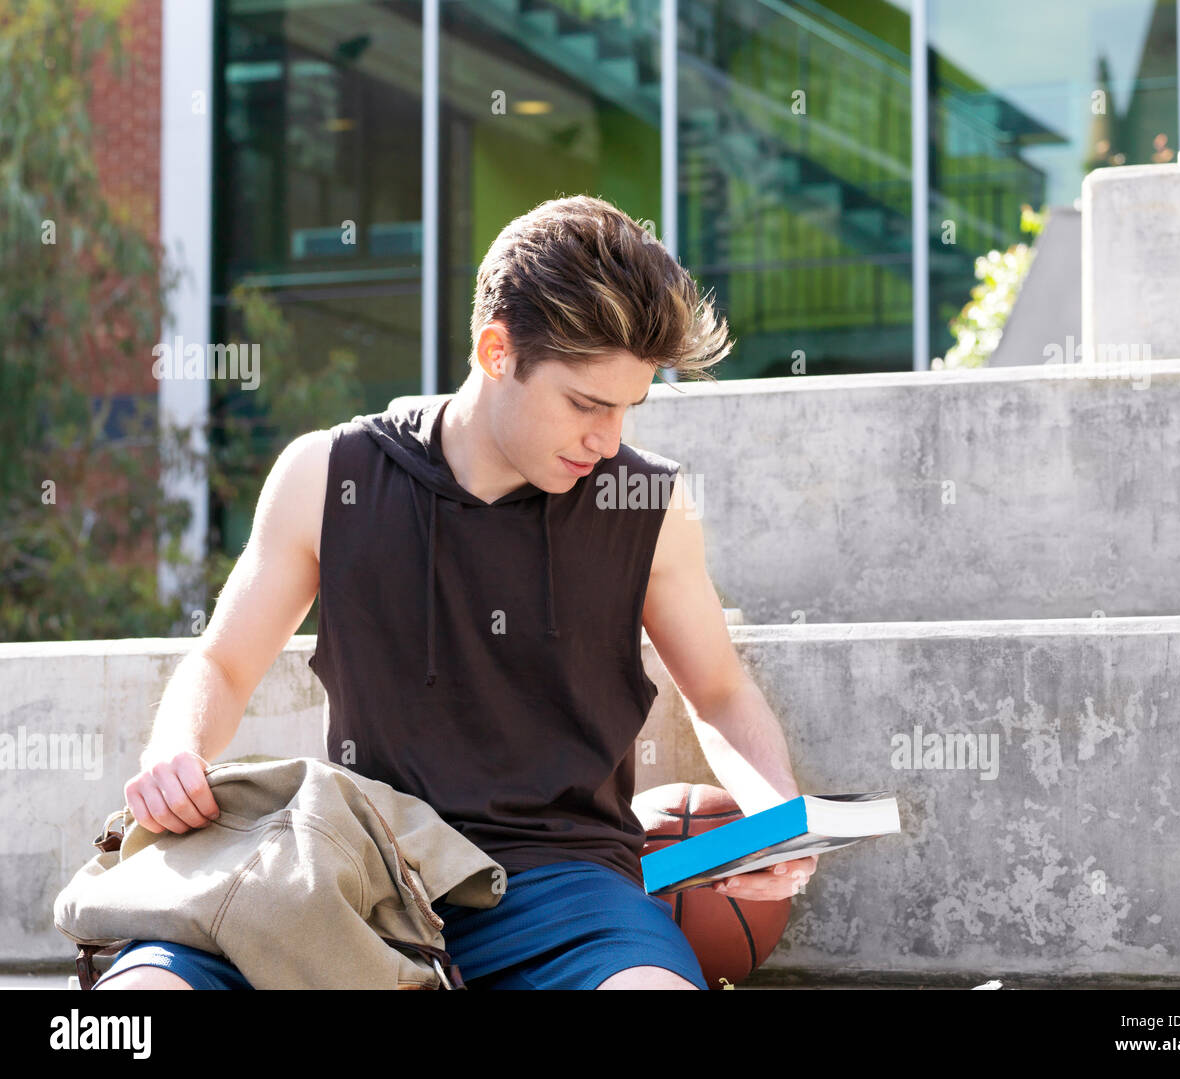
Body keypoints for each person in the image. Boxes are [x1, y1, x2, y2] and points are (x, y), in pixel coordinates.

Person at [94, 195, 817, 991]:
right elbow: (223, 663)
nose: (608, 439)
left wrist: (779, 815)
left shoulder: (646, 504)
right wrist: (175, 751)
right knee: (138, 1000)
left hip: (567, 891)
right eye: (586, 403)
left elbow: (716, 691)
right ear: (495, 350)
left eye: (627, 407)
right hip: (356, 867)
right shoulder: (326, 477)